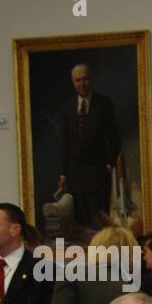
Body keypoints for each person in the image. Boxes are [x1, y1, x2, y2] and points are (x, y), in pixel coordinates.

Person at [57, 64, 120, 227]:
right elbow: (65, 142)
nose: (82, 84)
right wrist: (63, 174)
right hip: (74, 174)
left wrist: (109, 164)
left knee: (98, 219)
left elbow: (114, 137)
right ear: (73, 83)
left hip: (98, 173)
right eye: (78, 80)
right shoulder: (67, 107)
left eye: (85, 79)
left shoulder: (104, 104)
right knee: (78, 219)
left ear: (90, 80)